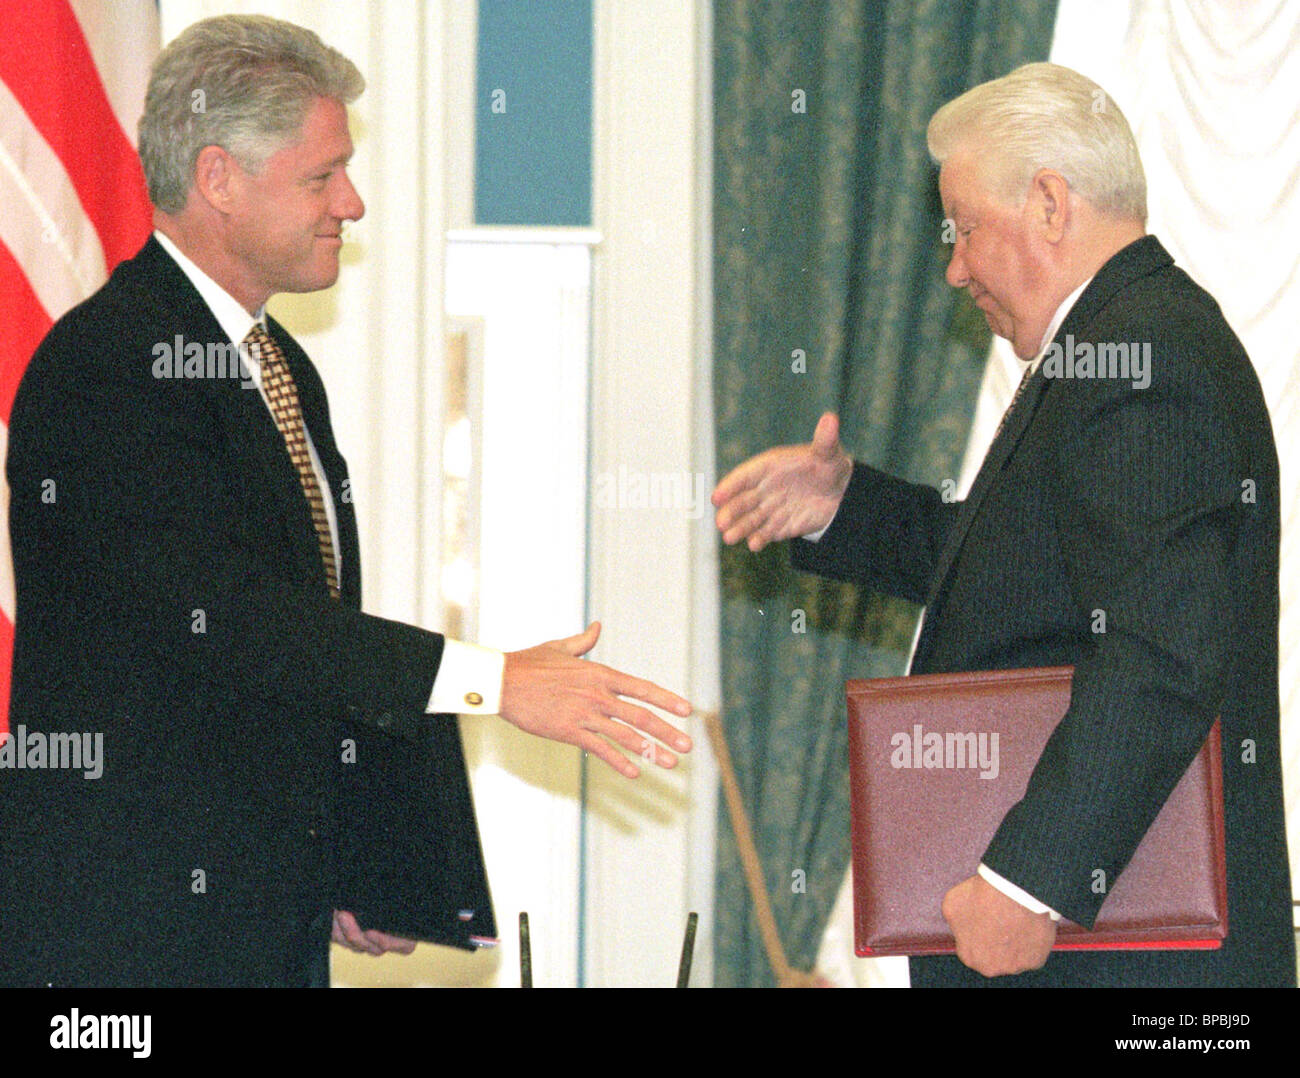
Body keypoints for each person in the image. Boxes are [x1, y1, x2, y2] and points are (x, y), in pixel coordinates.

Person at [0, 14, 691, 988]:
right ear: (218, 179)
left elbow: (303, 647)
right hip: (128, 939)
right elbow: (232, 620)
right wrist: (496, 680)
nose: (353, 203)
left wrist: (347, 857)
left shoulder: (281, 368)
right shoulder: (107, 366)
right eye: (322, 176)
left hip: (263, 923)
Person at [712, 62, 1294, 987]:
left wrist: (1029, 883)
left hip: (1120, 968)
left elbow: (1159, 650)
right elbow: (1035, 577)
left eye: (965, 229)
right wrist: (845, 506)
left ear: (1052, 204)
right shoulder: (1120, 343)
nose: (953, 267)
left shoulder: (1138, 358)